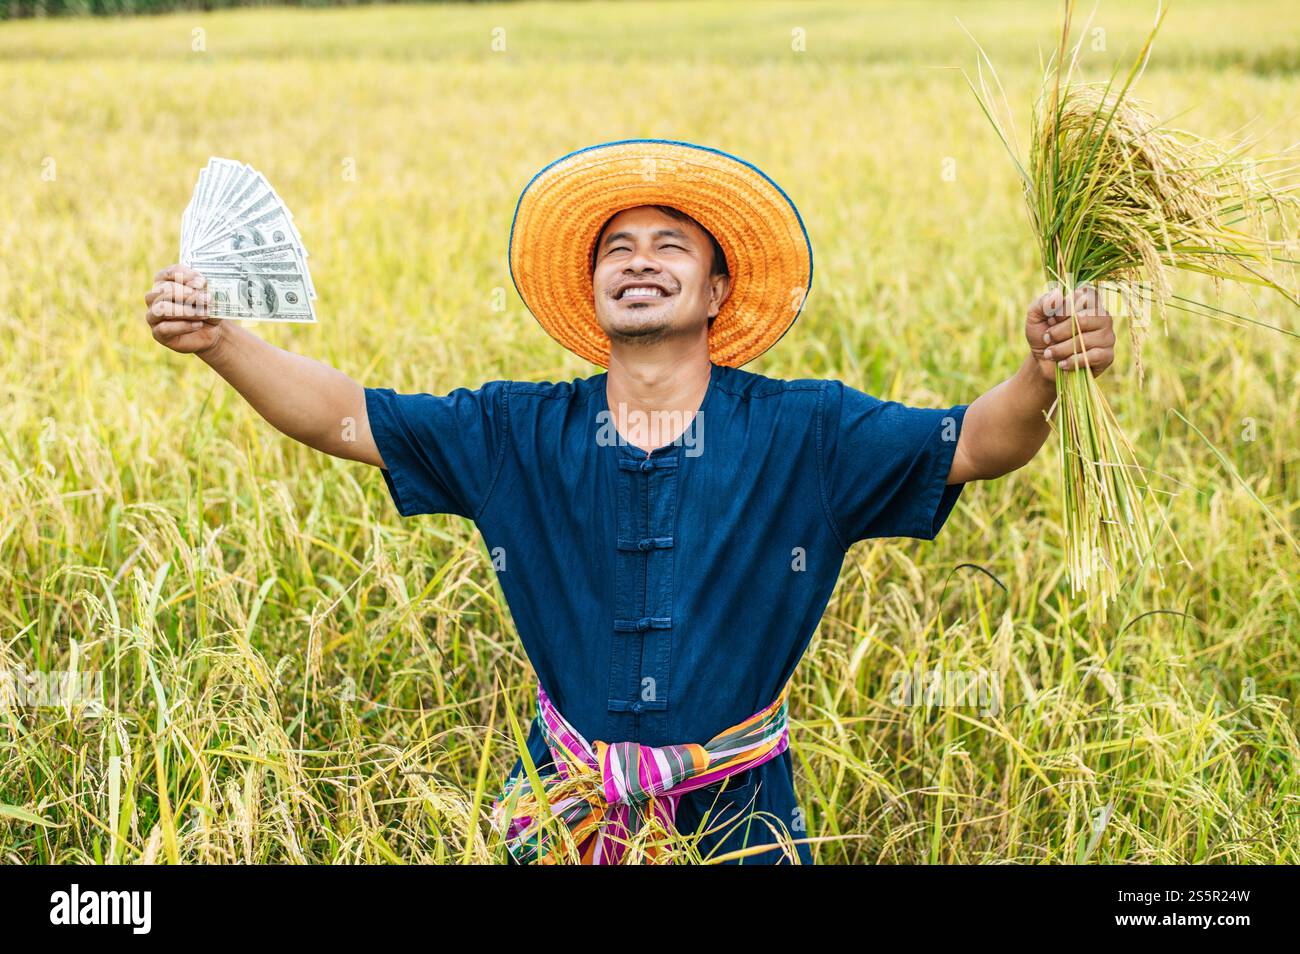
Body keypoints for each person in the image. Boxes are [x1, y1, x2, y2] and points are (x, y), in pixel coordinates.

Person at [143, 138, 1115, 865]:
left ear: (717, 289)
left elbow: (980, 443)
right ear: (594, 283)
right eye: (616, 247)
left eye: (669, 246)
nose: (639, 259)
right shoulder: (513, 433)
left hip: (744, 815)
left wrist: (1040, 369)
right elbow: (345, 419)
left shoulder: (809, 433)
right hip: (564, 801)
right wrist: (221, 340)